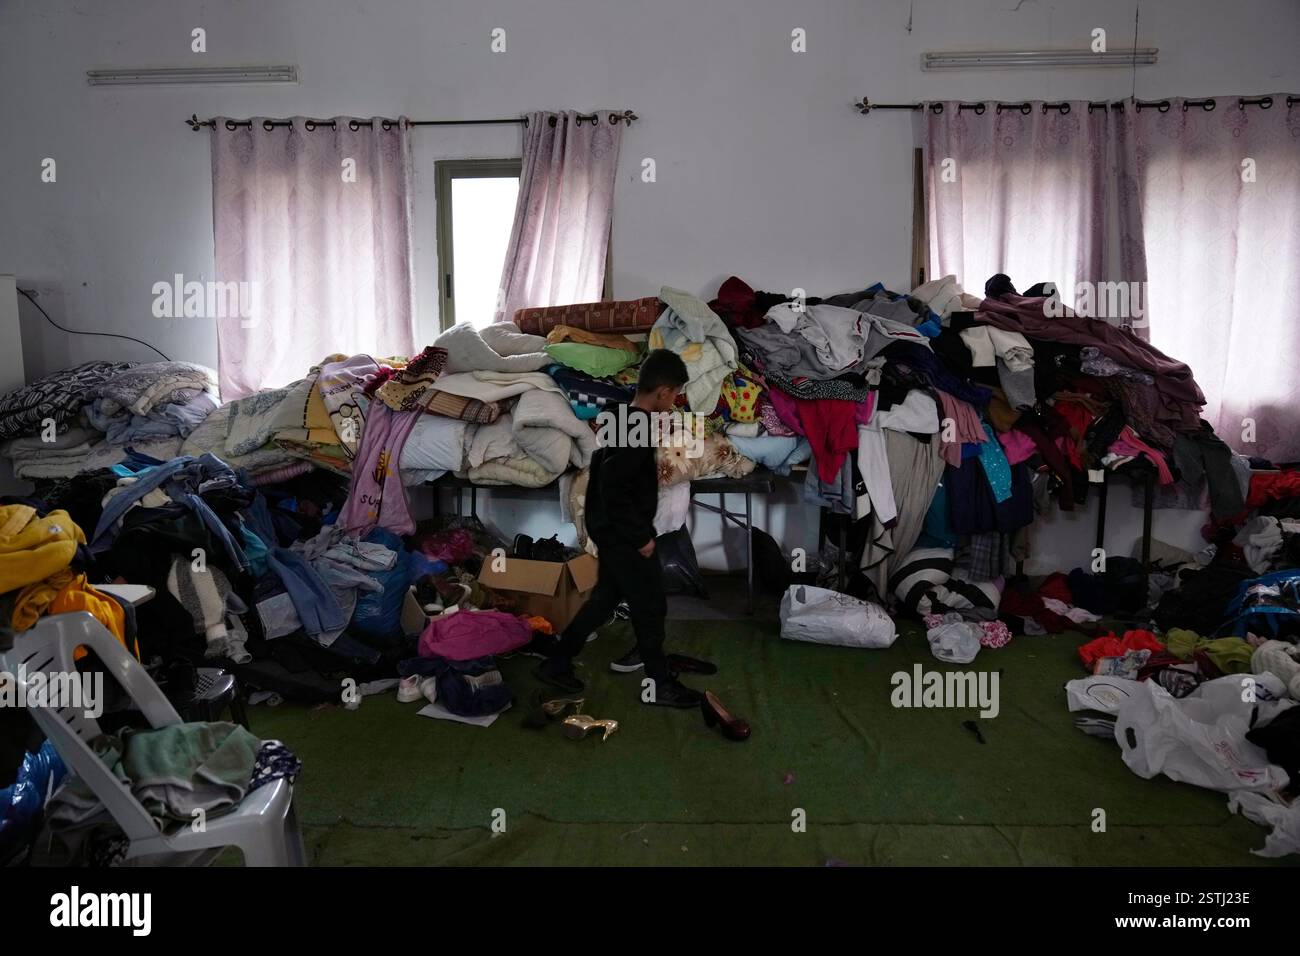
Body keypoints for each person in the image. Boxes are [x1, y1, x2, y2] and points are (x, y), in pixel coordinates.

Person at [535, 349, 703, 707]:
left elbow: (606, 475)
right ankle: (659, 685)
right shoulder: (635, 427)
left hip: (610, 530)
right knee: (650, 605)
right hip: (625, 535)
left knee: (604, 600)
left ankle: (557, 663)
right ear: (662, 391)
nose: (674, 401)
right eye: (674, 394)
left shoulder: (620, 416)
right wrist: (639, 536)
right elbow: (614, 484)